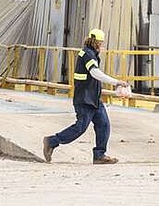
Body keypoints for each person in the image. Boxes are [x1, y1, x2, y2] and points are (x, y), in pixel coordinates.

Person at [43, 28, 129, 164]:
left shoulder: (90, 53)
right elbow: (95, 73)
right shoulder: (87, 54)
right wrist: (116, 82)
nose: (101, 46)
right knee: (80, 127)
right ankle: (51, 141)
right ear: (96, 42)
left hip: (94, 99)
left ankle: (99, 155)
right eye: (100, 43)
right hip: (84, 99)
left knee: (104, 125)